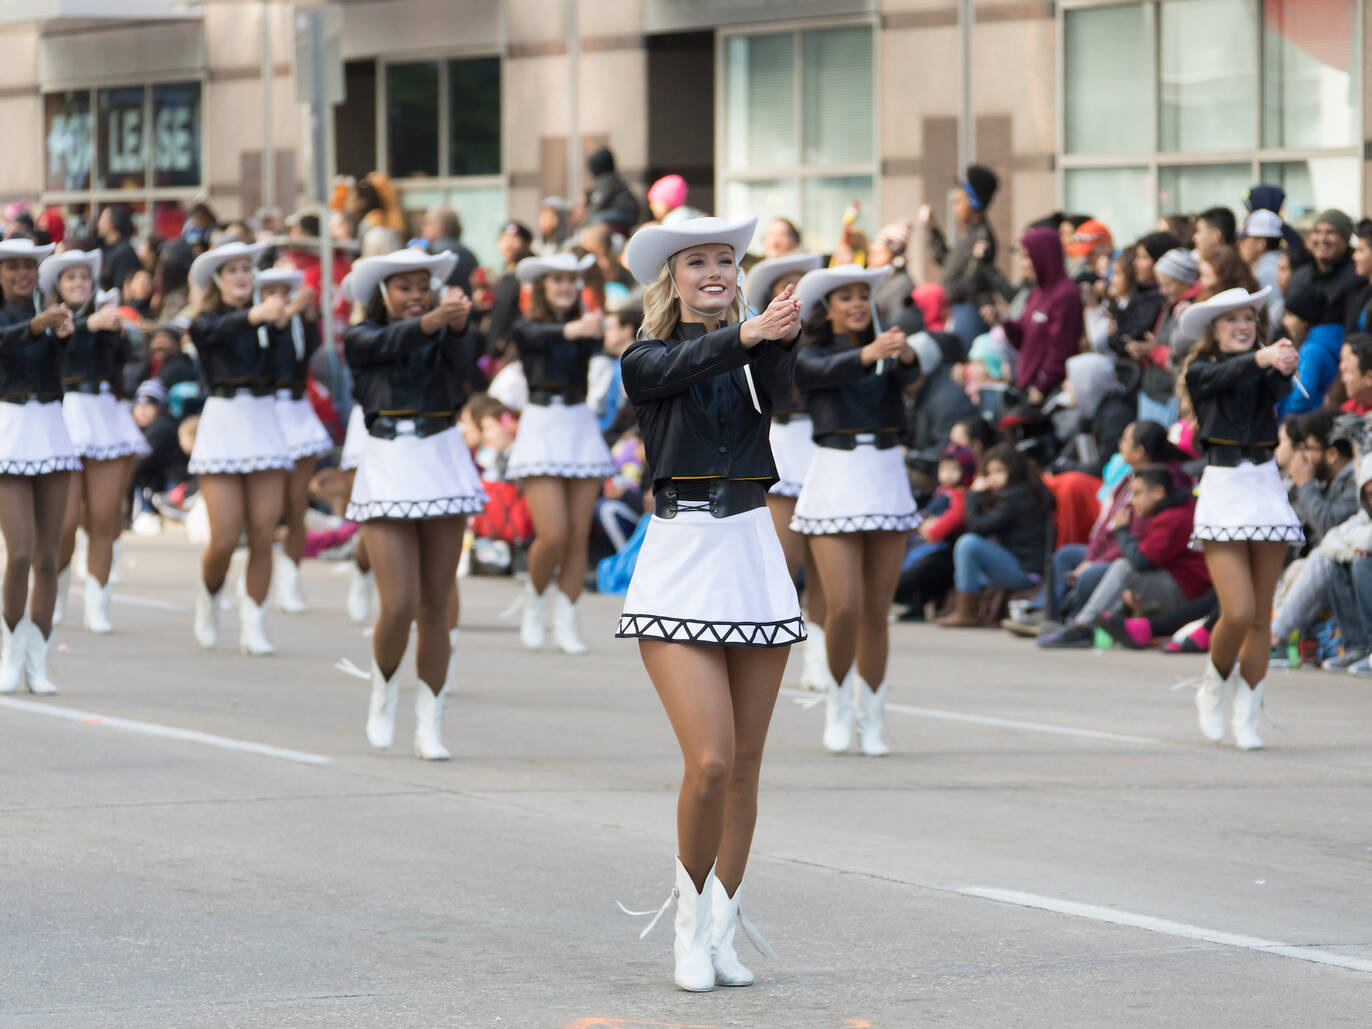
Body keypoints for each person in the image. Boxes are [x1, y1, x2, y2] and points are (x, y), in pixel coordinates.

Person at [615, 216, 802, 992]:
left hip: (753, 551)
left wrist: (779, 333)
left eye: (727, 259)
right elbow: (681, 365)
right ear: (674, 276)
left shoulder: (758, 348)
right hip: (681, 556)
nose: (717, 270)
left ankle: (723, 930)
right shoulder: (645, 357)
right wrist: (749, 333)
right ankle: (688, 927)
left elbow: (779, 389)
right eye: (699, 261)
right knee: (711, 759)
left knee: (747, 768)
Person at [342, 248, 486, 761]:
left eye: (422, 286)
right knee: (397, 603)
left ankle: (430, 720)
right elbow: (382, 345)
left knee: (435, 606)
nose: (416, 295)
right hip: (386, 461)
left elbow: (469, 363)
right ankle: (382, 690)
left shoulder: (445, 332)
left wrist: (462, 325)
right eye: (404, 287)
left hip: (441, 456)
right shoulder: (361, 336)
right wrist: (431, 321)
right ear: (382, 294)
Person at [791, 264, 930, 756]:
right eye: (844, 296)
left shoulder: (887, 349)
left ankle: (872, 717)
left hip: (886, 475)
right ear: (826, 309)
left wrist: (907, 354)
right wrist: (865, 354)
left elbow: (914, 379)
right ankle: (837, 704)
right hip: (835, 476)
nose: (855, 303)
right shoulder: (812, 351)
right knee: (843, 606)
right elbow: (811, 375)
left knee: (876, 612)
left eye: (861, 296)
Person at [1179, 286, 1303, 750]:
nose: (1243, 326)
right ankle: (1213, 686)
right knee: (1238, 610)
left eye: (1249, 317)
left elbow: (1276, 386)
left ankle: (1247, 713)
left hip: (1266, 486)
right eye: (1231, 319)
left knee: (1260, 619)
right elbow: (1218, 379)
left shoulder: (1261, 364)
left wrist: (1286, 365)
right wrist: (1262, 359)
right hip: (1224, 489)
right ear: (1214, 328)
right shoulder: (1201, 369)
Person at [185, 241, 294, 656]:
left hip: (264, 419)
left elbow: (288, 371)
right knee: (225, 537)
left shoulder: (272, 317)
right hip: (223, 422)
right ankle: (209, 597)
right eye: (232, 270)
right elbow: (209, 333)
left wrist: (284, 327)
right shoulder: (209, 319)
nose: (242, 276)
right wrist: (252, 317)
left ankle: (254, 623)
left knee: (264, 533)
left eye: (247, 268)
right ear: (218, 279)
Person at [505, 252, 616, 653]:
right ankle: (535, 603)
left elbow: (599, 343)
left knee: (577, 534)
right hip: (540, 424)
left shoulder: (587, 326)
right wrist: (575, 329)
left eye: (572, 280)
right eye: (557, 280)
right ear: (542, 287)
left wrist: (595, 329)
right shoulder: (528, 325)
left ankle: (568, 618)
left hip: (579, 423)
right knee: (552, 533)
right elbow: (531, 337)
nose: (566, 287)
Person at [43, 250, 145, 635]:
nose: (79, 284)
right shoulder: (54, 320)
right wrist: (88, 324)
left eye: (85, 278)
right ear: (58, 286)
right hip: (67, 413)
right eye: (71, 278)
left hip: (106, 413)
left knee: (105, 517)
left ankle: (97, 603)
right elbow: (58, 345)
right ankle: (55, 593)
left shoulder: (110, 319)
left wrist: (118, 331)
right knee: (65, 521)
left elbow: (132, 363)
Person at [744, 252, 827, 691]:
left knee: (827, 565)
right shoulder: (760, 338)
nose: (797, 296)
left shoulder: (828, 336)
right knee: (783, 561)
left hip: (825, 445)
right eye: (787, 286)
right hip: (783, 441)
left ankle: (820, 654)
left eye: (804, 287)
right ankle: (777, 650)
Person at [0, 239, 77, 693]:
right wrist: (34, 326)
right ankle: (10, 649)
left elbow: (71, 369)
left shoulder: (54, 313)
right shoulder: (29, 318)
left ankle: (38, 659)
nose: (22, 273)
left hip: (50, 428)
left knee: (49, 555)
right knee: (21, 552)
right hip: (8, 428)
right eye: (12, 266)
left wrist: (68, 336)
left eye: (30, 265)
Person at [1039, 465, 1209, 647]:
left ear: (1158, 492)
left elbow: (1142, 561)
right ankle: (1087, 623)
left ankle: (1083, 626)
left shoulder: (1175, 516)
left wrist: (1121, 531)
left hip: (1188, 593)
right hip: (1173, 584)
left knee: (1122, 568)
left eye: (1137, 494)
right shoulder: (1168, 512)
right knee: (1074, 556)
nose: (1131, 502)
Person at [256, 268, 329, 612]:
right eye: (270, 291)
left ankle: (291, 580)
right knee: (265, 511)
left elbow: (313, 353)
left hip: (297, 412)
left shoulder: (301, 325)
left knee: (296, 506)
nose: (278, 297)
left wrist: (309, 315)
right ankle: (258, 583)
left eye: (283, 291)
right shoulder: (254, 326)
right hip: (263, 412)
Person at [936, 443, 1054, 627]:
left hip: (1026, 573)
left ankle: (967, 613)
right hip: (1018, 566)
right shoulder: (1019, 493)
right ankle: (963, 609)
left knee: (968, 544)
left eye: (999, 471)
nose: (993, 478)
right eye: (989, 473)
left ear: (1013, 471)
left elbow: (976, 527)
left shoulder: (1014, 499)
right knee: (965, 569)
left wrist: (973, 495)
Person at [982, 226, 1084, 404]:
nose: (1024, 263)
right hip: (1028, 387)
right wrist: (1003, 321)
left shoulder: (1065, 295)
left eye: (1028, 256)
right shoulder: (1037, 294)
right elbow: (1023, 340)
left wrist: (1042, 386)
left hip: (1047, 393)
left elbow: (1061, 349)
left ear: (1045, 256)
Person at [920, 164, 999, 347]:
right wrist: (932, 230)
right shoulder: (970, 234)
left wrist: (941, 296)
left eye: (959, 201)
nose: (955, 207)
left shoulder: (982, 236)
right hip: (958, 309)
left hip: (969, 311)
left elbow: (970, 281)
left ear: (973, 203)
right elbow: (948, 263)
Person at [1275, 283, 1341, 416]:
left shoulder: (1311, 352)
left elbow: (1302, 397)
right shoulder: (1326, 342)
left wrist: (1281, 417)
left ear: (1304, 319)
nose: (1284, 322)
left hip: (1304, 423)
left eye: (1289, 315)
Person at [1288, 209, 1361, 329]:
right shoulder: (1300, 276)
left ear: (1345, 239)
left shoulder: (1356, 278)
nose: (1322, 239)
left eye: (1330, 232)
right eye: (1317, 232)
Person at [1238, 209, 1285, 326]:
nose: (1240, 244)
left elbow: (1272, 321)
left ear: (1261, 244)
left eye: (1245, 239)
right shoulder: (1280, 262)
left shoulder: (1265, 272)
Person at [419, 207, 478, 293]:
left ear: (439, 228)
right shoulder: (470, 254)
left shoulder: (432, 253)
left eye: (427, 224)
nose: (422, 228)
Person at [583, 147, 640, 235]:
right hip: (627, 213)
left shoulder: (606, 180)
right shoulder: (610, 178)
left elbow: (598, 204)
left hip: (626, 213)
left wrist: (581, 228)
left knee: (596, 218)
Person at [96, 205, 141, 295]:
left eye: (102, 219)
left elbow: (119, 289)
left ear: (111, 224)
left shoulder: (124, 253)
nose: (99, 224)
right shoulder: (108, 249)